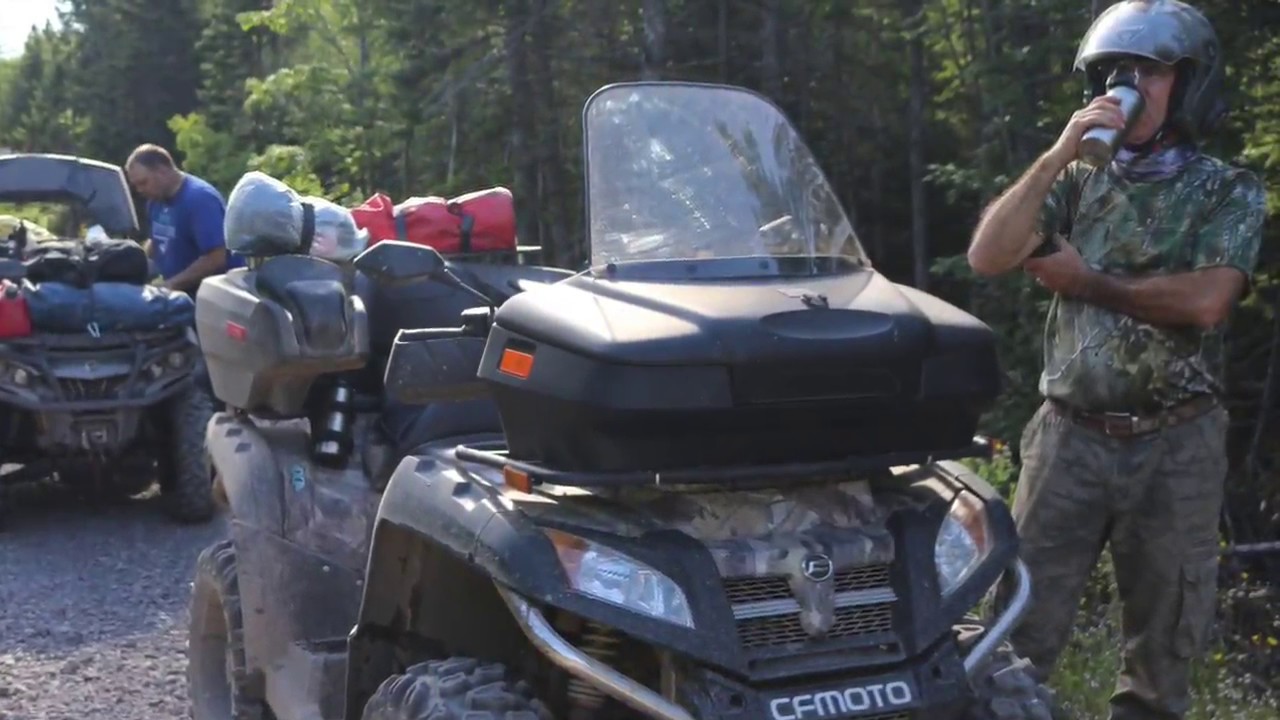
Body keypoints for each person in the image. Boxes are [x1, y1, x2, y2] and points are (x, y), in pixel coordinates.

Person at [965, 1, 1267, 719]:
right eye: (1115, 72)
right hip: (1069, 437)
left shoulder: (1226, 189)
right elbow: (988, 256)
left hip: (1177, 442)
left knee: (1162, 660)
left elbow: (1208, 302)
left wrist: (1088, 283)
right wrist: (1057, 154)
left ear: (1188, 84)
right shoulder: (1076, 182)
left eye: (1151, 72)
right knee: (1010, 639)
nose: (1131, 85)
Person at [124, 144, 244, 296]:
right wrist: (132, 266)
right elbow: (157, 241)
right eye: (136, 186)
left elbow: (216, 257)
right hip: (179, 297)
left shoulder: (199, 200)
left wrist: (170, 286)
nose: (140, 190)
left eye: (143, 183)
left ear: (162, 171)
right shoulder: (155, 201)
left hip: (212, 299)